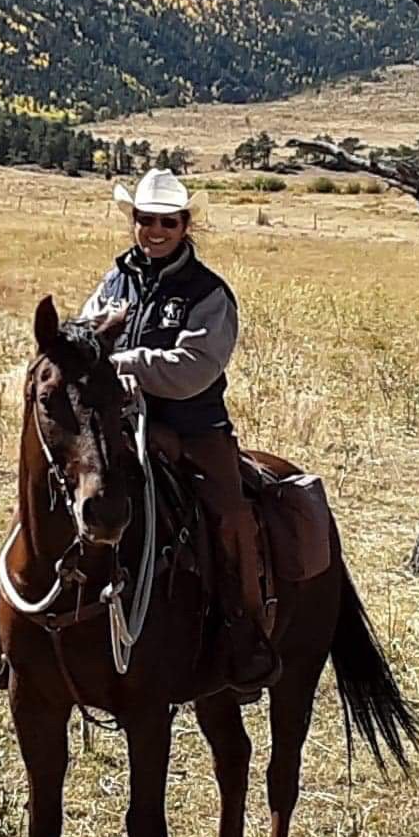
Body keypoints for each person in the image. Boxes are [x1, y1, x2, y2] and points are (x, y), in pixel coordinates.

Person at [78, 167, 279, 694]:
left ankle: (245, 634)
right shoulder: (115, 278)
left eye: (167, 221)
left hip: (193, 430)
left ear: (186, 225)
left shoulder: (209, 293)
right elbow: (86, 335)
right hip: (121, 424)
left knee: (231, 517)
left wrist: (124, 362)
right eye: (146, 220)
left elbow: (195, 368)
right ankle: (9, 626)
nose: (156, 231)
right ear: (135, 222)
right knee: (59, 491)